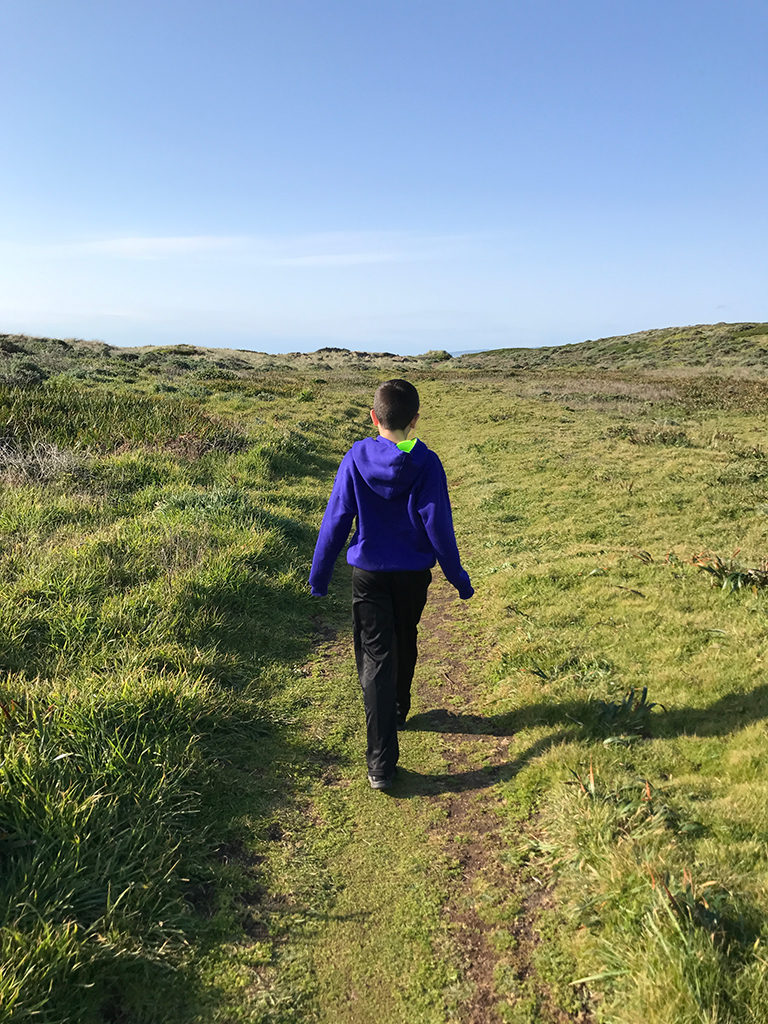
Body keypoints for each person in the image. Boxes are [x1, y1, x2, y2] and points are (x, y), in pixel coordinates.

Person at [309, 378, 474, 790]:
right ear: (415, 420)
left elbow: (336, 519)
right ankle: (400, 706)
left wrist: (320, 575)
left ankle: (381, 764)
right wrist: (458, 578)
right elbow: (440, 527)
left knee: (375, 658)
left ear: (373, 417)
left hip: (368, 575)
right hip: (413, 576)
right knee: (406, 637)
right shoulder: (428, 463)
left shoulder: (355, 457)